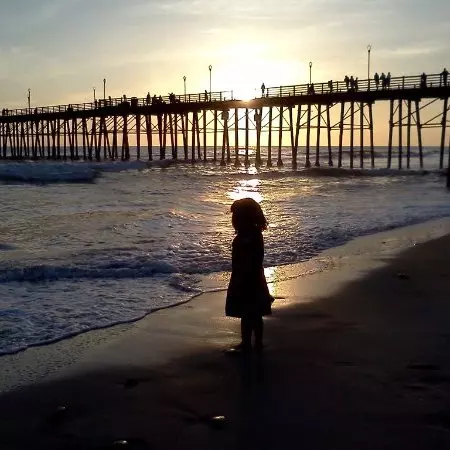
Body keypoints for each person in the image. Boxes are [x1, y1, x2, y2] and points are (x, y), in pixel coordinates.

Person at [225, 198, 273, 352]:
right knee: (255, 314)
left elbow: (248, 261)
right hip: (254, 278)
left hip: (247, 280)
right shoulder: (254, 234)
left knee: (247, 313)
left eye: (235, 216)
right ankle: (256, 343)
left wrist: (239, 280)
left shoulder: (248, 237)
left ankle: (247, 344)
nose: (233, 219)